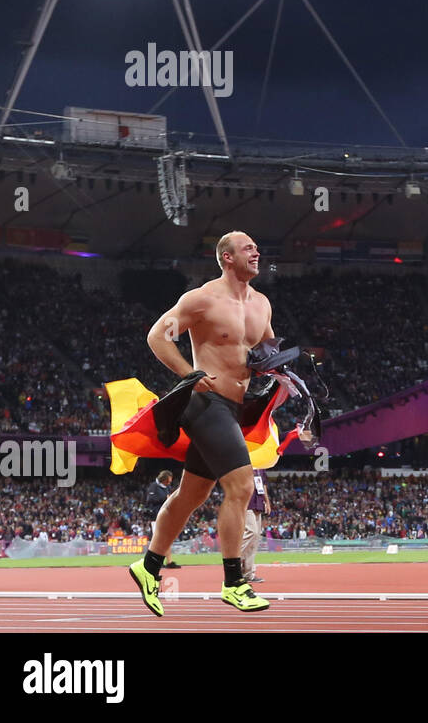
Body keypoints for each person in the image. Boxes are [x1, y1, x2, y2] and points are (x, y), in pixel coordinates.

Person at [127, 231, 273, 615]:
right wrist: (189, 374)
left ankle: (148, 566)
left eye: (256, 247)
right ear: (227, 257)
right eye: (247, 248)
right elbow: (158, 336)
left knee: (192, 496)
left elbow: (269, 353)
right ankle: (234, 582)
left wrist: (288, 375)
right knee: (241, 486)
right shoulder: (203, 300)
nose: (256, 252)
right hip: (206, 404)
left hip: (236, 410)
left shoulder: (261, 304)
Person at [143, 470, 181, 569]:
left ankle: (169, 562)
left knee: (166, 538)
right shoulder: (153, 486)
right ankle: (154, 562)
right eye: (167, 481)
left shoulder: (167, 487)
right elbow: (150, 499)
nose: (169, 483)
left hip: (165, 515)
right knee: (158, 539)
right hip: (155, 516)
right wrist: (165, 497)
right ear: (163, 479)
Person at [242, 469, 270, 583]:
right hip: (246, 503)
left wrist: (267, 502)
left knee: (255, 539)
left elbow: (263, 485)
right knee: (251, 532)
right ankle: (233, 559)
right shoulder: (243, 462)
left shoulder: (261, 467)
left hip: (258, 503)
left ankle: (248, 574)